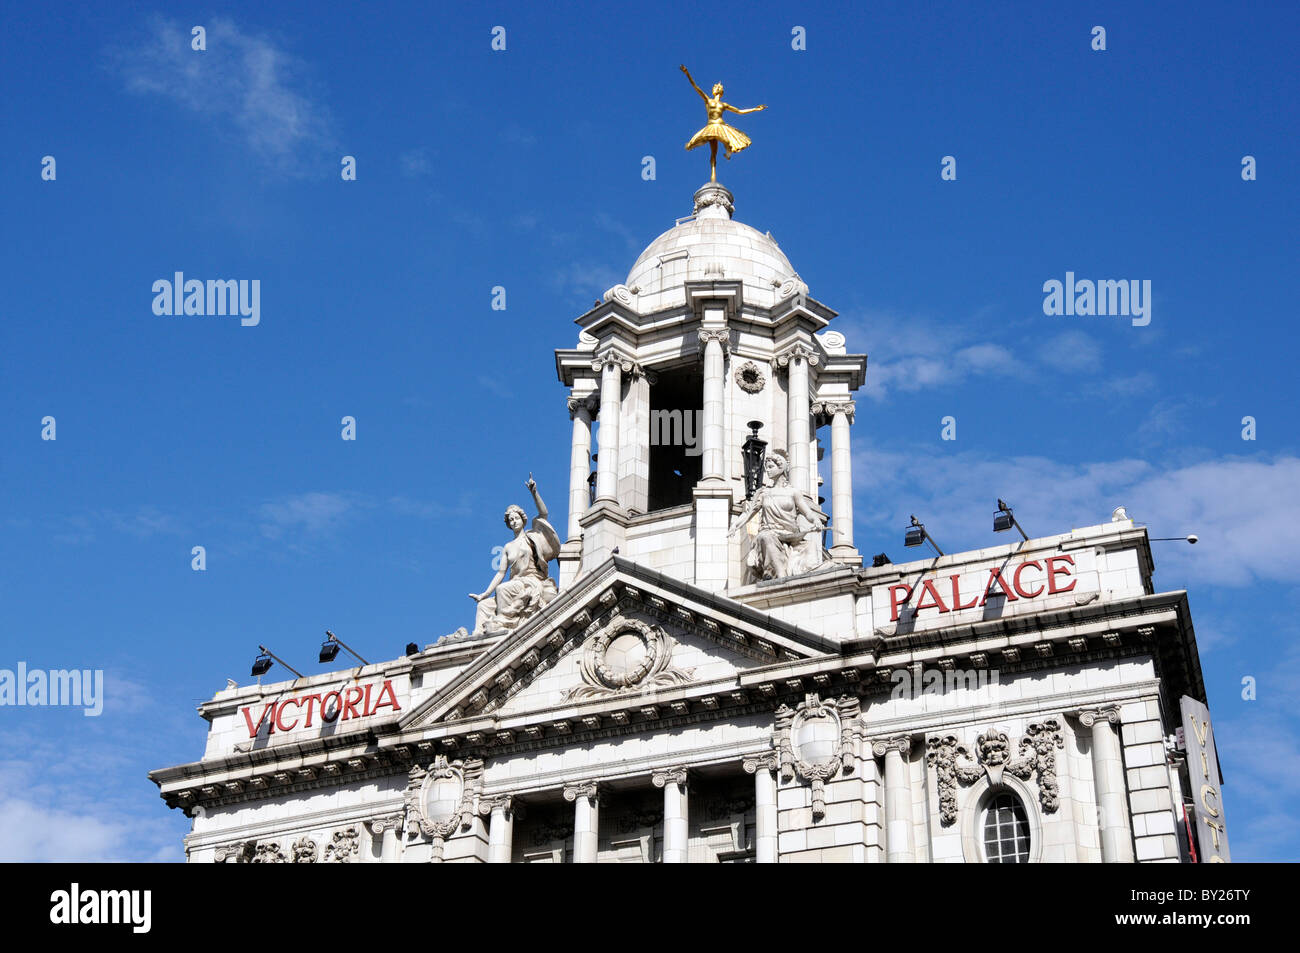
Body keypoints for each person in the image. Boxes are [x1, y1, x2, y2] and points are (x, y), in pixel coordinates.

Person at [469, 474, 561, 636]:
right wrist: (485, 594)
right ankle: (482, 635)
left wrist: (534, 493)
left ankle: (502, 623)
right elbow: (500, 573)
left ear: (522, 519)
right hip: (515, 584)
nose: (514, 521)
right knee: (483, 606)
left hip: (531, 582)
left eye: (516, 518)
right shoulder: (507, 547)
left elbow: (544, 514)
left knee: (503, 589)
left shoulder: (532, 536)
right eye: (510, 520)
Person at [728, 451, 827, 581]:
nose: (767, 471)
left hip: (790, 536)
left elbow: (808, 513)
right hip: (770, 533)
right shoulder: (764, 493)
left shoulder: (793, 492)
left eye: (770, 467)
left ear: (780, 468)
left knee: (811, 546)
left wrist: (816, 521)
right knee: (765, 536)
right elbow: (748, 513)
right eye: (766, 468)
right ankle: (780, 575)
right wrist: (735, 525)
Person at [681, 64, 767, 183]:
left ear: (721, 92)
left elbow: (739, 111)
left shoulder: (724, 105)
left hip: (720, 125)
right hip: (711, 126)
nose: (716, 89)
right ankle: (714, 172)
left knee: (726, 139)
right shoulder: (708, 100)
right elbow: (696, 87)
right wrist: (687, 74)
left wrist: (755, 109)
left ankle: (728, 151)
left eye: (718, 88)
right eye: (715, 88)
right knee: (713, 153)